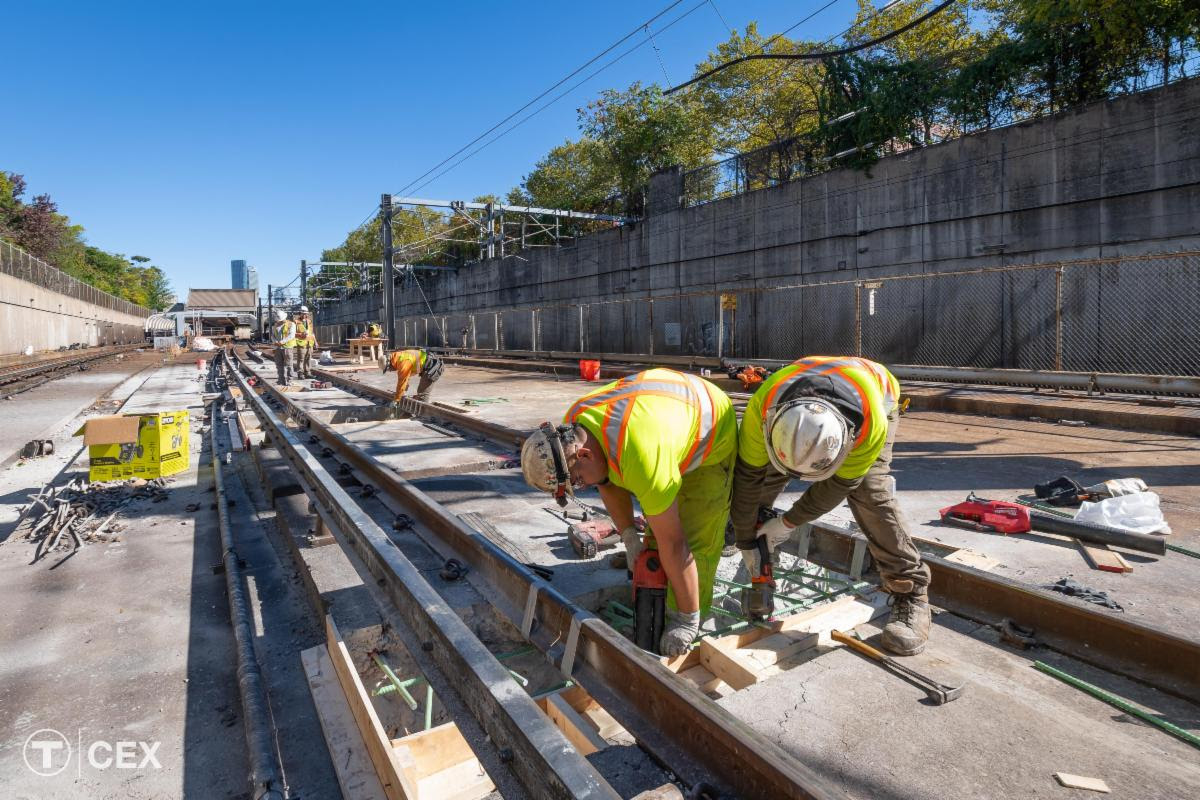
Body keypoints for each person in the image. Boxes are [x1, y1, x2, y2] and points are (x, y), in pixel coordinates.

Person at [521, 369, 737, 657]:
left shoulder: (642, 456)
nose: (582, 487)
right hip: (665, 421)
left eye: (578, 481)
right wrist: (629, 536)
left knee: (693, 541)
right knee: (655, 543)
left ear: (582, 455)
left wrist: (684, 620)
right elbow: (605, 480)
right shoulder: (579, 424)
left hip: (711, 431)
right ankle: (660, 611)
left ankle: (691, 619)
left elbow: (677, 546)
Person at [730, 355, 931, 655]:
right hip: (805, 394)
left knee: (869, 490)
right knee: (762, 480)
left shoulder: (869, 424)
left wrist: (787, 523)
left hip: (877, 391)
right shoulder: (764, 405)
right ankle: (757, 548)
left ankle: (910, 590)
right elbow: (748, 479)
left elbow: (840, 485)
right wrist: (746, 538)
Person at [270, 309, 297, 386]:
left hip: (287, 347)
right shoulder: (275, 325)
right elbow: (272, 335)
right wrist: (275, 341)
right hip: (278, 348)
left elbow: (291, 335)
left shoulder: (291, 324)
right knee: (279, 364)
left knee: (289, 365)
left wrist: (281, 342)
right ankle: (281, 380)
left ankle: (290, 380)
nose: (279, 321)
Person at [295, 306, 317, 379]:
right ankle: (300, 373)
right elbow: (292, 334)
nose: (305, 315)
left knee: (308, 358)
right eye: (303, 313)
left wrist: (315, 342)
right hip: (301, 343)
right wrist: (301, 334)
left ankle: (307, 372)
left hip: (309, 343)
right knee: (301, 359)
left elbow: (312, 332)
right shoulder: (296, 322)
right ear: (300, 313)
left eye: (306, 313)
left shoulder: (309, 321)